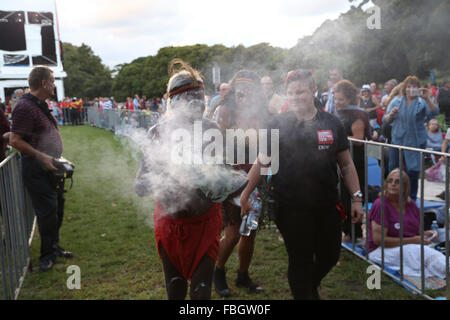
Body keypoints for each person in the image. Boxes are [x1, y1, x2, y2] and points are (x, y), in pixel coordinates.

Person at [239, 69, 364, 300]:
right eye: (291, 93)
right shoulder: (277, 124)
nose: (295, 97)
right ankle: (306, 292)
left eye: (301, 92)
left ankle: (309, 286)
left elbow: (346, 165)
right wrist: (245, 193)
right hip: (290, 207)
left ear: (313, 90)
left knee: (330, 256)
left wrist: (356, 197)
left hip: (327, 204)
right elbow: (262, 161)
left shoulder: (331, 122)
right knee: (300, 259)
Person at [135, 59, 239, 300]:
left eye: (200, 99)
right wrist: (170, 177)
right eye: (189, 99)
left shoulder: (212, 130)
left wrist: (235, 192)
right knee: (175, 290)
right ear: (174, 102)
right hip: (170, 225)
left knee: (201, 294)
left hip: (205, 224)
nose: (197, 105)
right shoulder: (158, 133)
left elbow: (226, 175)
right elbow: (140, 186)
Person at [9, 65, 73, 272]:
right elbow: (15, 140)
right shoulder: (25, 106)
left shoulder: (38, 104)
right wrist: (42, 156)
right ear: (44, 83)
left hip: (50, 165)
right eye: (53, 82)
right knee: (47, 213)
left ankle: (54, 248)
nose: (54, 86)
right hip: (36, 168)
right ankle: (47, 257)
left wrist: (57, 158)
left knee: (57, 209)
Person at [213, 70, 270, 297]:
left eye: (248, 88)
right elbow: (216, 143)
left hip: (256, 177)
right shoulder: (226, 111)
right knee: (234, 232)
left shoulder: (262, 114)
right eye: (240, 88)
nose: (243, 92)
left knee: (250, 231)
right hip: (231, 178)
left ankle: (243, 275)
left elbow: (268, 149)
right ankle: (217, 270)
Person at [368, 168, 448, 279]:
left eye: (397, 182)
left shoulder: (411, 205)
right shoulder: (381, 205)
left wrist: (427, 234)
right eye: (390, 181)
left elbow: (416, 233)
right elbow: (378, 240)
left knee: (443, 234)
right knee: (420, 252)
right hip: (381, 250)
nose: (393, 184)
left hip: (407, 244)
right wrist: (413, 240)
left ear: (405, 187)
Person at [383, 75, 439, 200]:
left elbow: (434, 113)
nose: (411, 89)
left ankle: (411, 198)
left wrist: (428, 99)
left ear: (419, 88)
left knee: (413, 171)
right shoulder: (396, 101)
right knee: (393, 169)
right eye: (408, 86)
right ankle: (393, 197)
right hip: (398, 139)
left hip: (416, 140)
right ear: (404, 88)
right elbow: (385, 120)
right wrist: (391, 114)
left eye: (414, 86)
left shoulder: (422, 101)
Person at [334, 80, 371, 243]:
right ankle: (346, 231)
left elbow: (358, 139)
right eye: (335, 99)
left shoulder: (357, 115)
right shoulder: (339, 113)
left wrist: (338, 139)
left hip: (355, 162)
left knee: (352, 198)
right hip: (341, 161)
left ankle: (355, 234)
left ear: (349, 98)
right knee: (342, 198)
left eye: (341, 99)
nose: (337, 102)